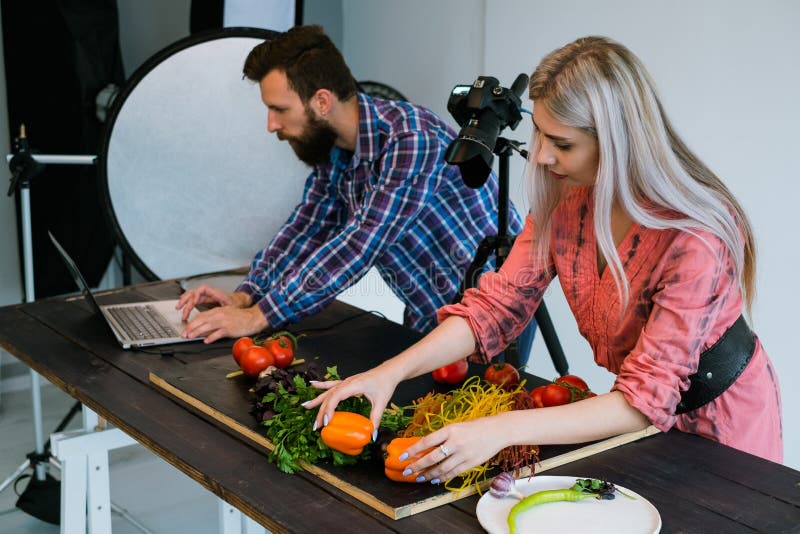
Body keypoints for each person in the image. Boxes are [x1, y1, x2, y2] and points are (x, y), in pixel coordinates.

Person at [306, 36, 783, 485]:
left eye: (563, 144)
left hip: (722, 426)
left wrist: (500, 429)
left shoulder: (695, 237)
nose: (540, 156)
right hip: (636, 416)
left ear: (618, 142)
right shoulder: (566, 201)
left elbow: (641, 402)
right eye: (538, 131)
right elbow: (494, 308)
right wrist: (387, 373)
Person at [177, 25, 524, 344]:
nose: (271, 124)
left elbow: (360, 243)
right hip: (428, 315)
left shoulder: (411, 138)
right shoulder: (336, 152)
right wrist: (246, 295)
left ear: (322, 102)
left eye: (279, 109)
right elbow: (305, 229)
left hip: (492, 313)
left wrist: (258, 316)